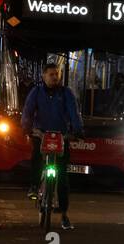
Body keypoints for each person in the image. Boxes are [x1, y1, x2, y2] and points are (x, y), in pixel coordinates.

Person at [21, 59, 84, 230]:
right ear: (44, 76)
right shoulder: (36, 92)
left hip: (61, 137)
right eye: (51, 74)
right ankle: (34, 186)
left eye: (57, 74)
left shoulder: (66, 93)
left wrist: (77, 131)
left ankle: (64, 214)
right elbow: (27, 111)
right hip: (41, 134)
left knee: (63, 177)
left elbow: (74, 112)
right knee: (36, 158)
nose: (55, 77)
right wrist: (27, 129)